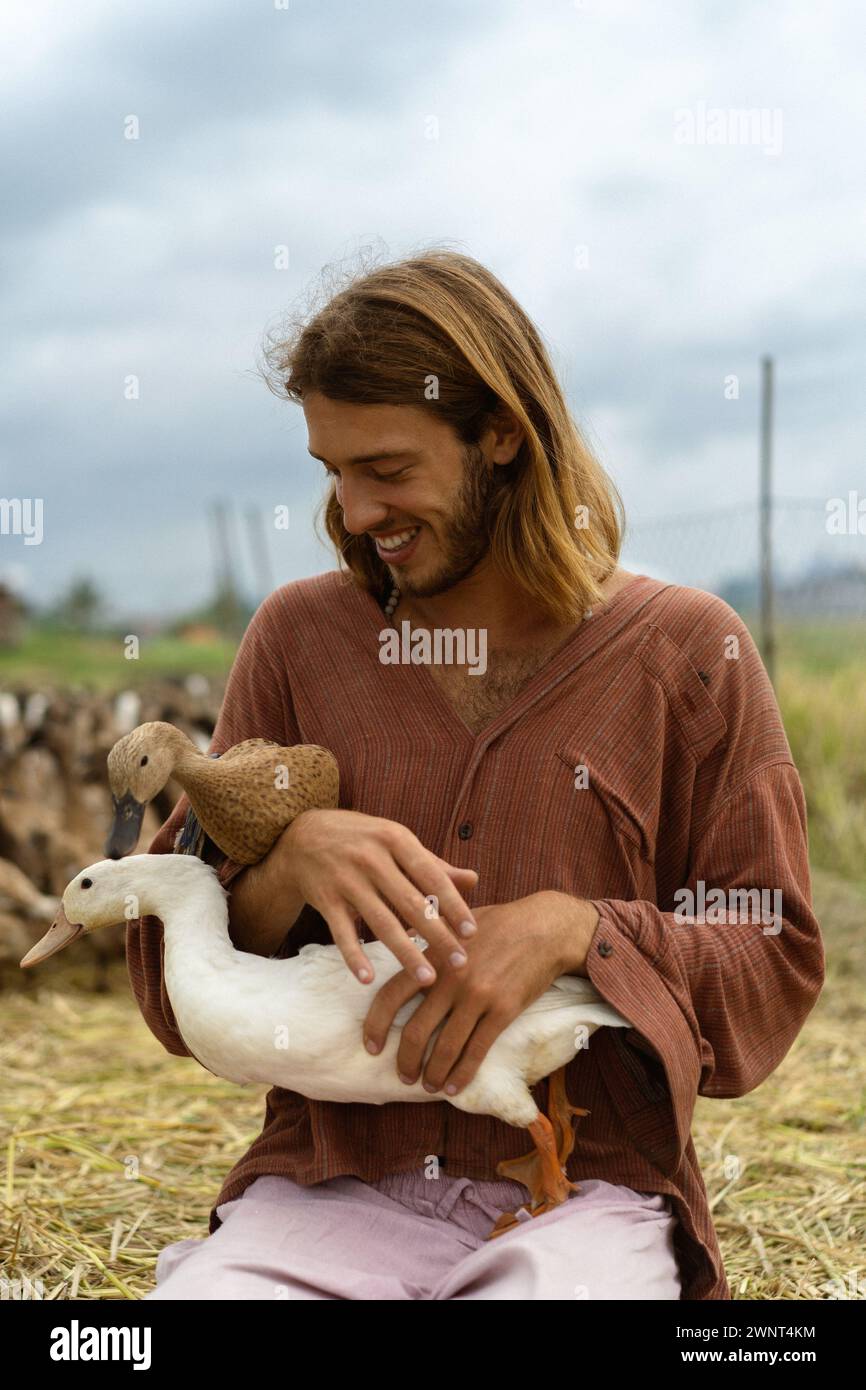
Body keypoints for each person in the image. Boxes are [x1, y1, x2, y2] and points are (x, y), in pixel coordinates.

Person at [131, 250, 824, 1300]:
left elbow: (767, 960)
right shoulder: (299, 641)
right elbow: (164, 981)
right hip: (331, 1190)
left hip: (584, 1200)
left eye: (388, 469)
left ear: (500, 432)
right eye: (332, 471)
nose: (356, 511)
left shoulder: (687, 652)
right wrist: (286, 863)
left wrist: (581, 931)